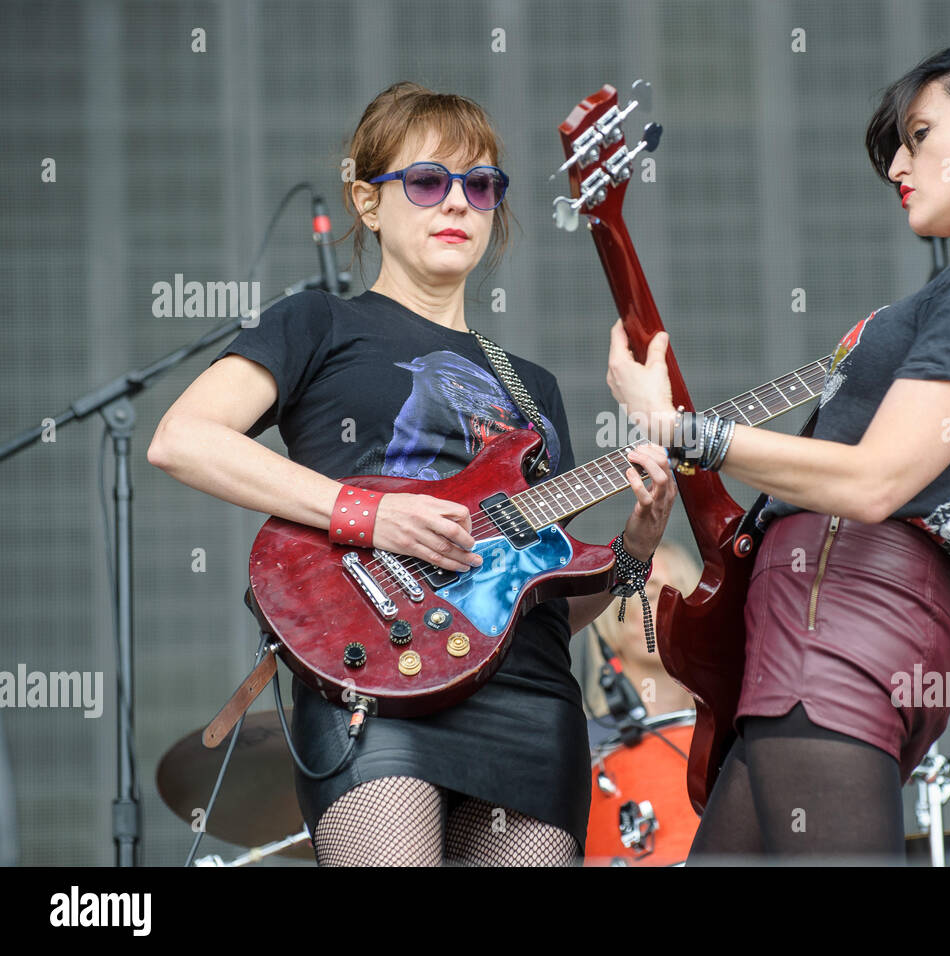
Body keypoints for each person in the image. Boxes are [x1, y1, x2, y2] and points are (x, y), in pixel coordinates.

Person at [605, 35, 950, 860]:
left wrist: (679, 431)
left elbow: (875, 483)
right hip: (878, 635)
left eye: (919, 135)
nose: (897, 167)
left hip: (830, 628)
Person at [147, 82, 675, 866]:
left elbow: (537, 602)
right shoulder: (315, 322)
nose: (457, 203)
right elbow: (182, 438)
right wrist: (368, 514)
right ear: (367, 202)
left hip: (530, 704)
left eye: (481, 185)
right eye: (428, 182)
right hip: (375, 676)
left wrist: (636, 543)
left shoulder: (533, 388)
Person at [582, 539, 701, 748]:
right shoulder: (586, 747)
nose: (673, 607)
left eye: (683, 592)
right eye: (652, 595)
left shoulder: (729, 736)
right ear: (613, 624)